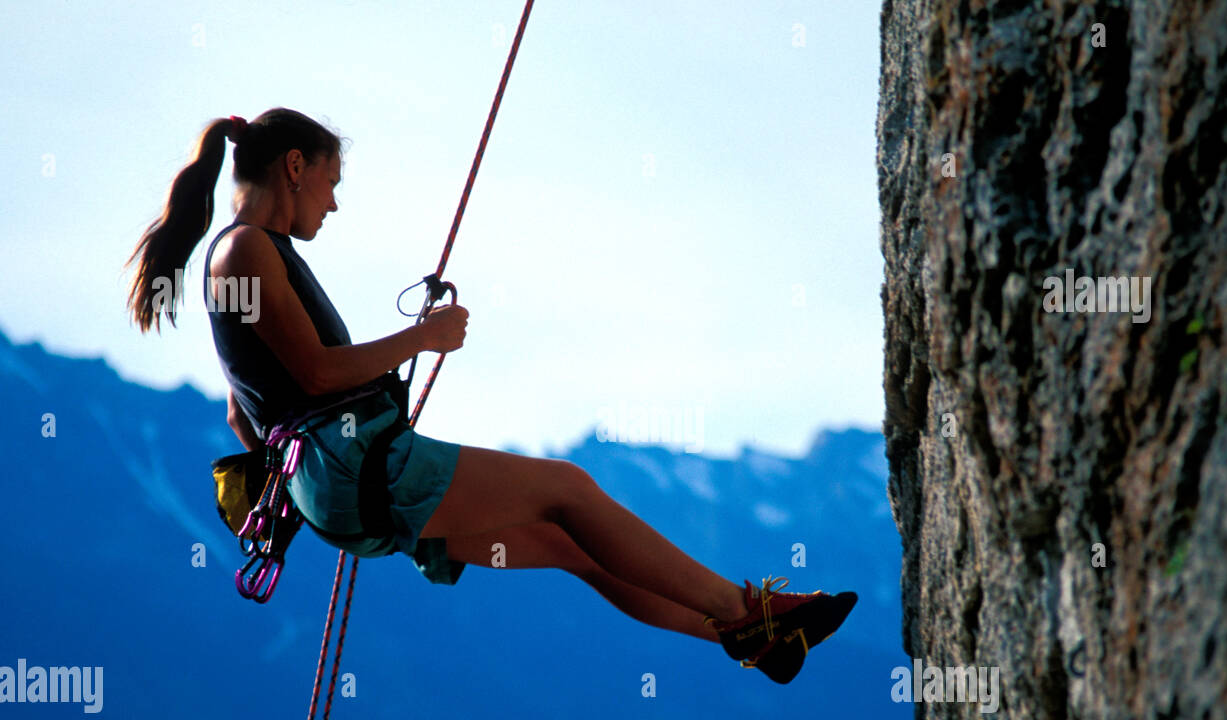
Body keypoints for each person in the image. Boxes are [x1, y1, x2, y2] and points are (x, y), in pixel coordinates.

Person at [125, 108, 857, 683]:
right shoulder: (246, 248)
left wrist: (321, 481)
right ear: (294, 166)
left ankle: (748, 637)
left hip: (344, 483)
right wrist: (423, 339)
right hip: (358, 471)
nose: (334, 203)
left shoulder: (235, 259)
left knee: (577, 548)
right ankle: (745, 610)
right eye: (331, 181)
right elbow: (315, 375)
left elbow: (243, 411)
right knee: (569, 490)